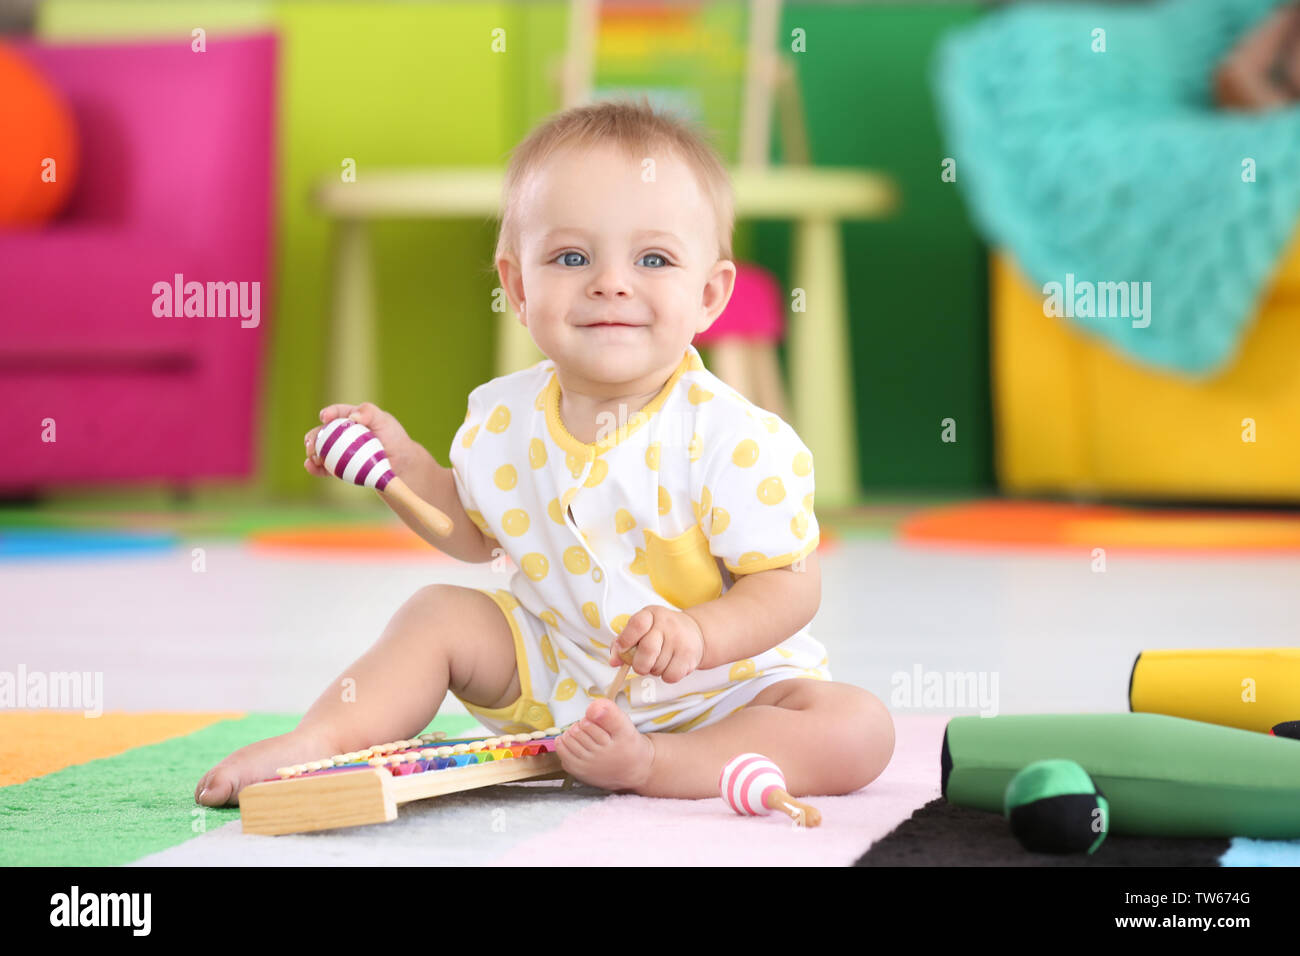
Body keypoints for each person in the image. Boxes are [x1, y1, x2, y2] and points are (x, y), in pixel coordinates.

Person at [195, 97, 894, 806]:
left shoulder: (730, 437)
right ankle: (324, 740)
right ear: (519, 287)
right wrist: (401, 468)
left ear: (709, 295)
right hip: (558, 674)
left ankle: (657, 763)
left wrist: (700, 633)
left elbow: (789, 583)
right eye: (571, 256)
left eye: (653, 258)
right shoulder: (502, 419)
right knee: (437, 613)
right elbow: (471, 535)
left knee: (858, 728)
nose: (611, 281)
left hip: (724, 693)